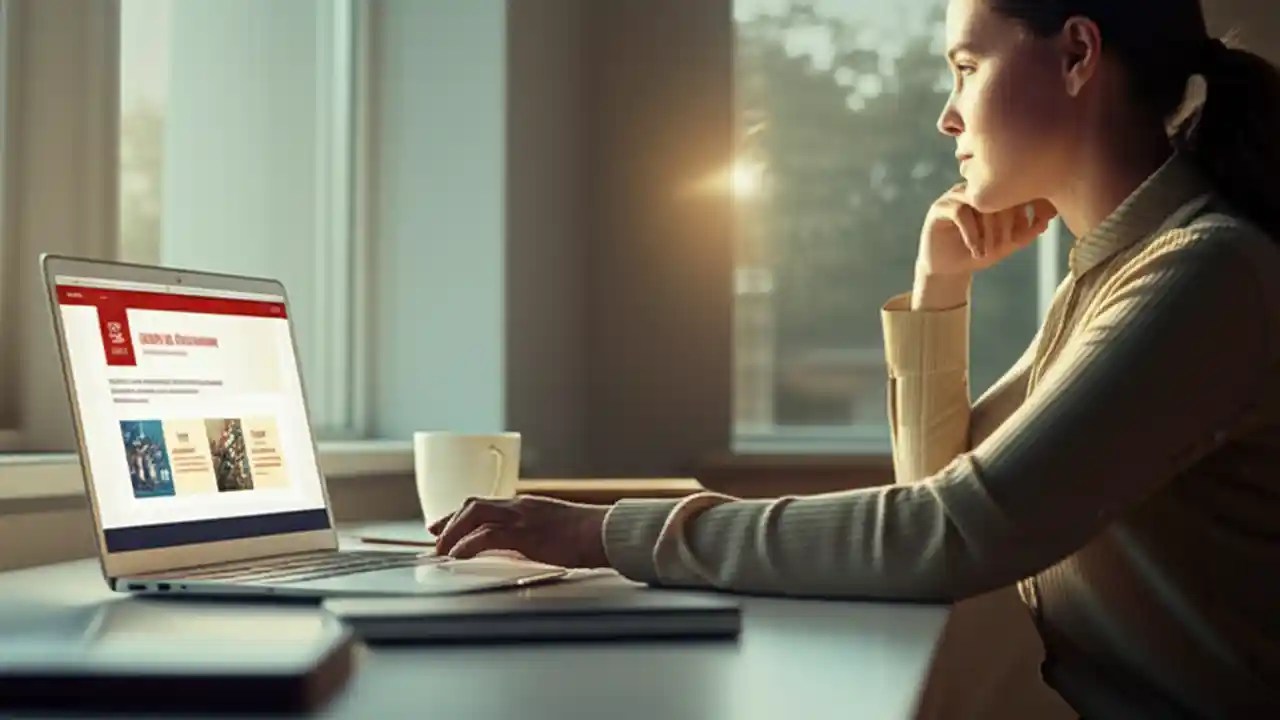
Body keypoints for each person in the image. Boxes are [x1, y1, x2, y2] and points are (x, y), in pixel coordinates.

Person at [430, 0, 1280, 716]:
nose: (948, 115)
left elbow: (950, 532)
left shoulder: (1203, 276)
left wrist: (602, 532)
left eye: (966, 67)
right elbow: (940, 493)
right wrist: (937, 286)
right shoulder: (1117, 276)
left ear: (1076, 54)